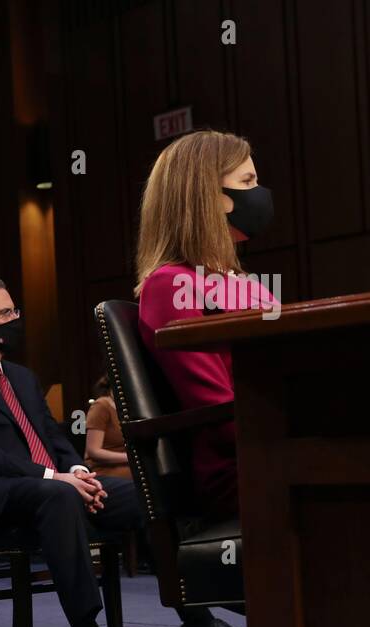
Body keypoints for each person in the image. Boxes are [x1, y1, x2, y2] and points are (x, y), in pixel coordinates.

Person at [0, 278, 247, 627]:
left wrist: (78, 471)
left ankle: (196, 622)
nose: (16, 320)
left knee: (149, 492)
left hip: (46, 488)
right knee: (59, 498)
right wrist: (53, 478)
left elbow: (52, 435)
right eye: (5, 314)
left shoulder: (23, 378)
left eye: (16, 311)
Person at [135, 129, 279, 522]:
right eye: (247, 182)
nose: (259, 192)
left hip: (277, 444)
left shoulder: (241, 282)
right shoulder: (170, 285)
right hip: (244, 466)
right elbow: (215, 409)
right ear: (210, 198)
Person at [83, 376, 131, 479]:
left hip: (127, 465)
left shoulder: (129, 406)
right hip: (105, 469)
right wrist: (129, 457)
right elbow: (93, 451)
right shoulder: (101, 405)